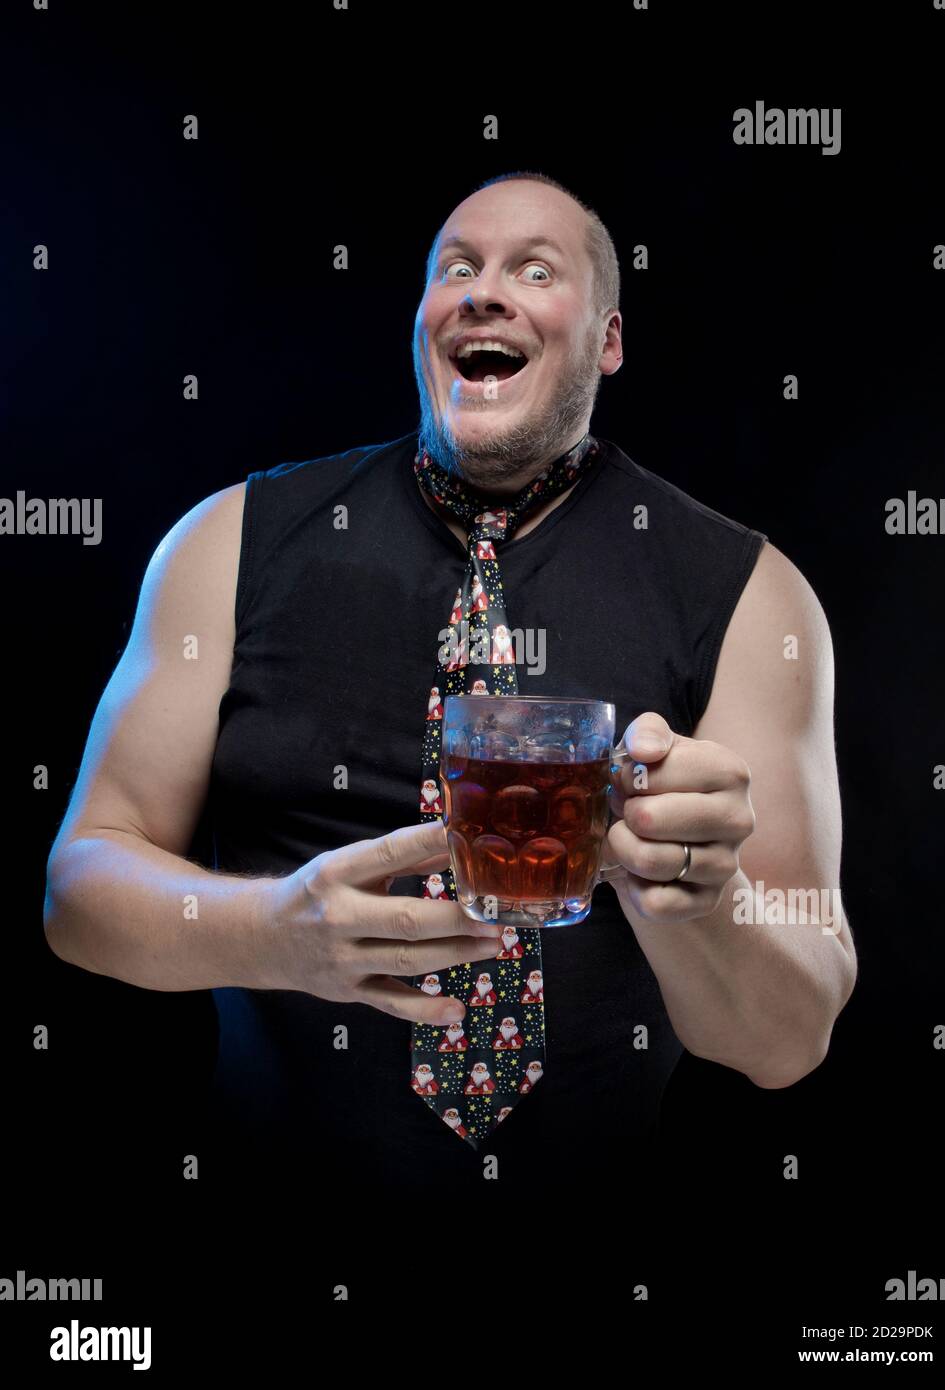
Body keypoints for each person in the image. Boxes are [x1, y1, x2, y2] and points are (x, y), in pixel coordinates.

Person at [43, 171, 856, 1210]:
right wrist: (270, 932)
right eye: (456, 269)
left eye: (533, 269)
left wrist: (695, 901)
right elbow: (77, 892)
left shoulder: (749, 595)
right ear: (425, 323)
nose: (482, 291)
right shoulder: (227, 544)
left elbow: (789, 1041)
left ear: (606, 338)